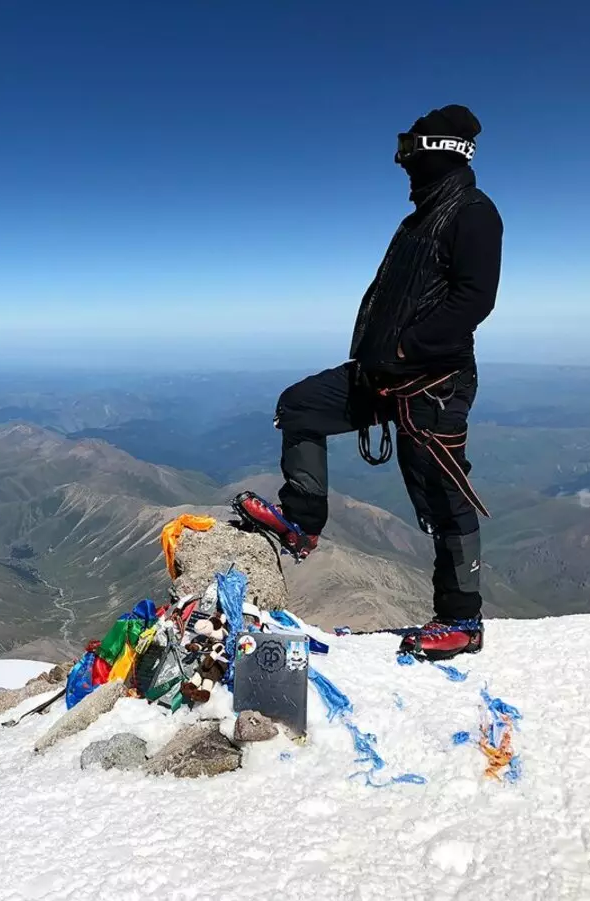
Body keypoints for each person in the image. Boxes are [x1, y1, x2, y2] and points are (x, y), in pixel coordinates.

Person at [234, 104, 503, 661]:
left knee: (443, 495)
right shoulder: (420, 220)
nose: (402, 161)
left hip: (433, 383)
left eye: (410, 148)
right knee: (301, 405)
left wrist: (407, 349)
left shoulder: (472, 213)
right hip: (379, 376)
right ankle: (302, 522)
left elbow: (474, 299)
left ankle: (461, 619)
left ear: (438, 149)